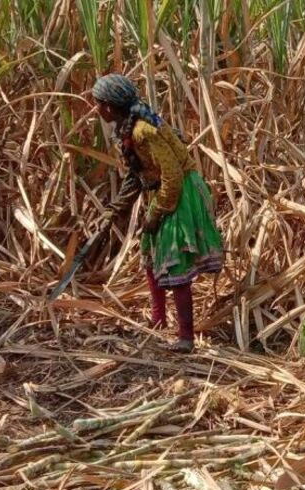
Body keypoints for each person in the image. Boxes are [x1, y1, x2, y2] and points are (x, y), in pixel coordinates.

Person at [92, 74, 223, 353]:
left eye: (98, 104)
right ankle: (158, 320)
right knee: (151, 252)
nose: (96, 109)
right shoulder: (129, 129)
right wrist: (113, 211)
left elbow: (173, 174)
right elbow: (135, 176)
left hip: (180, 193)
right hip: (161, 191)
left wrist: (157, 212)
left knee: (174, 261)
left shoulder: (143, 132)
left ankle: (186, 337)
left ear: (108, 107)